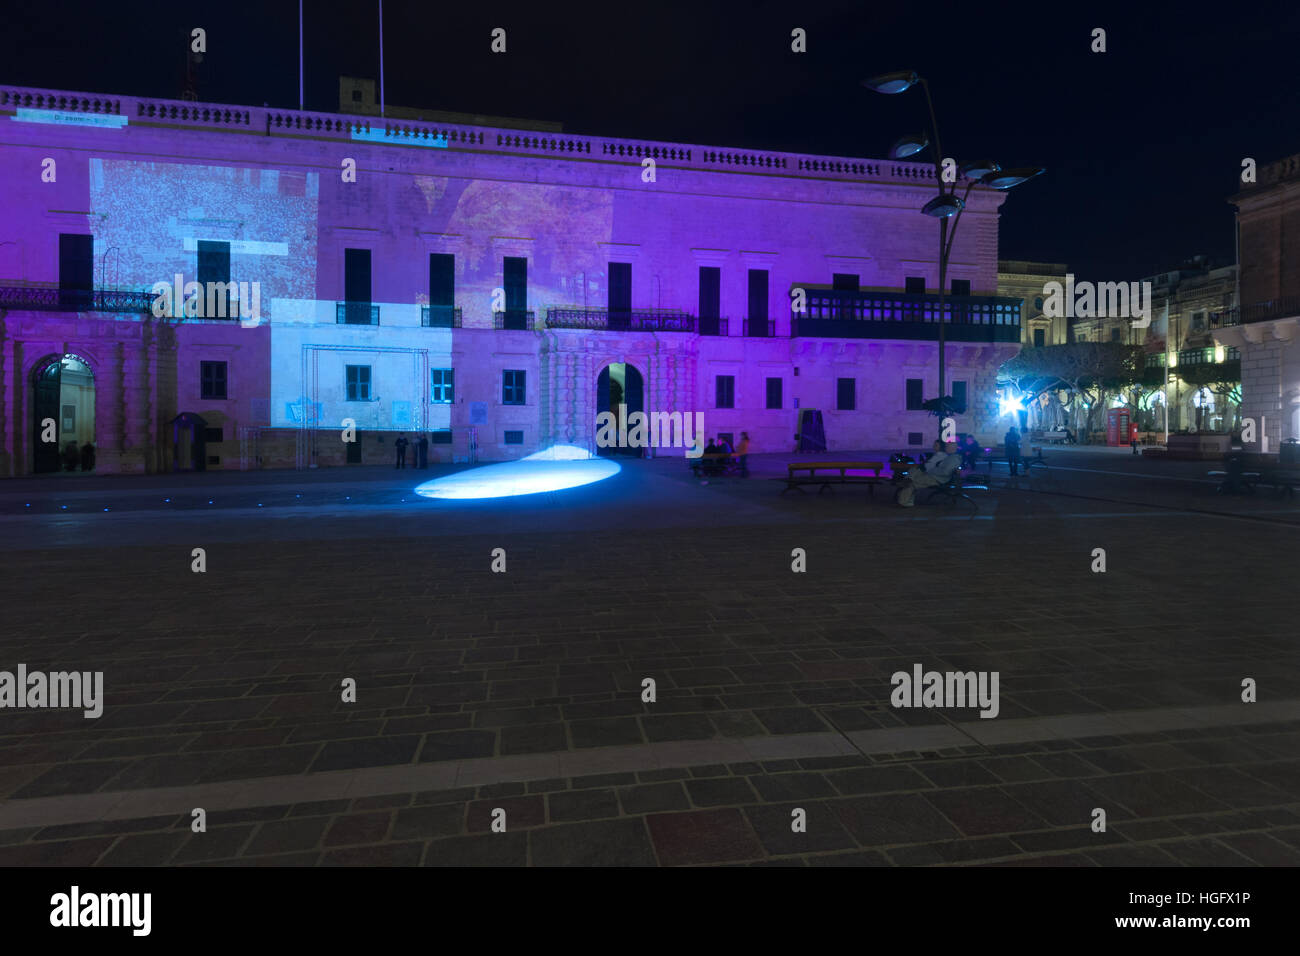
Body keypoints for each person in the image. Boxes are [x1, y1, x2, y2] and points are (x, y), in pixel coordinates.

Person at [896, 440, 961, 507]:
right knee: (913, 478)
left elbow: (945, 472)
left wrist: (931, 471)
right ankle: (907, 501)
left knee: (912, 482)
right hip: (937, 477)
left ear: (952, 448)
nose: (945, 448)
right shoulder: (951, 457)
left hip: (937, 479)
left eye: (947, 447)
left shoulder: (953, 459)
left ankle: (904, 502)